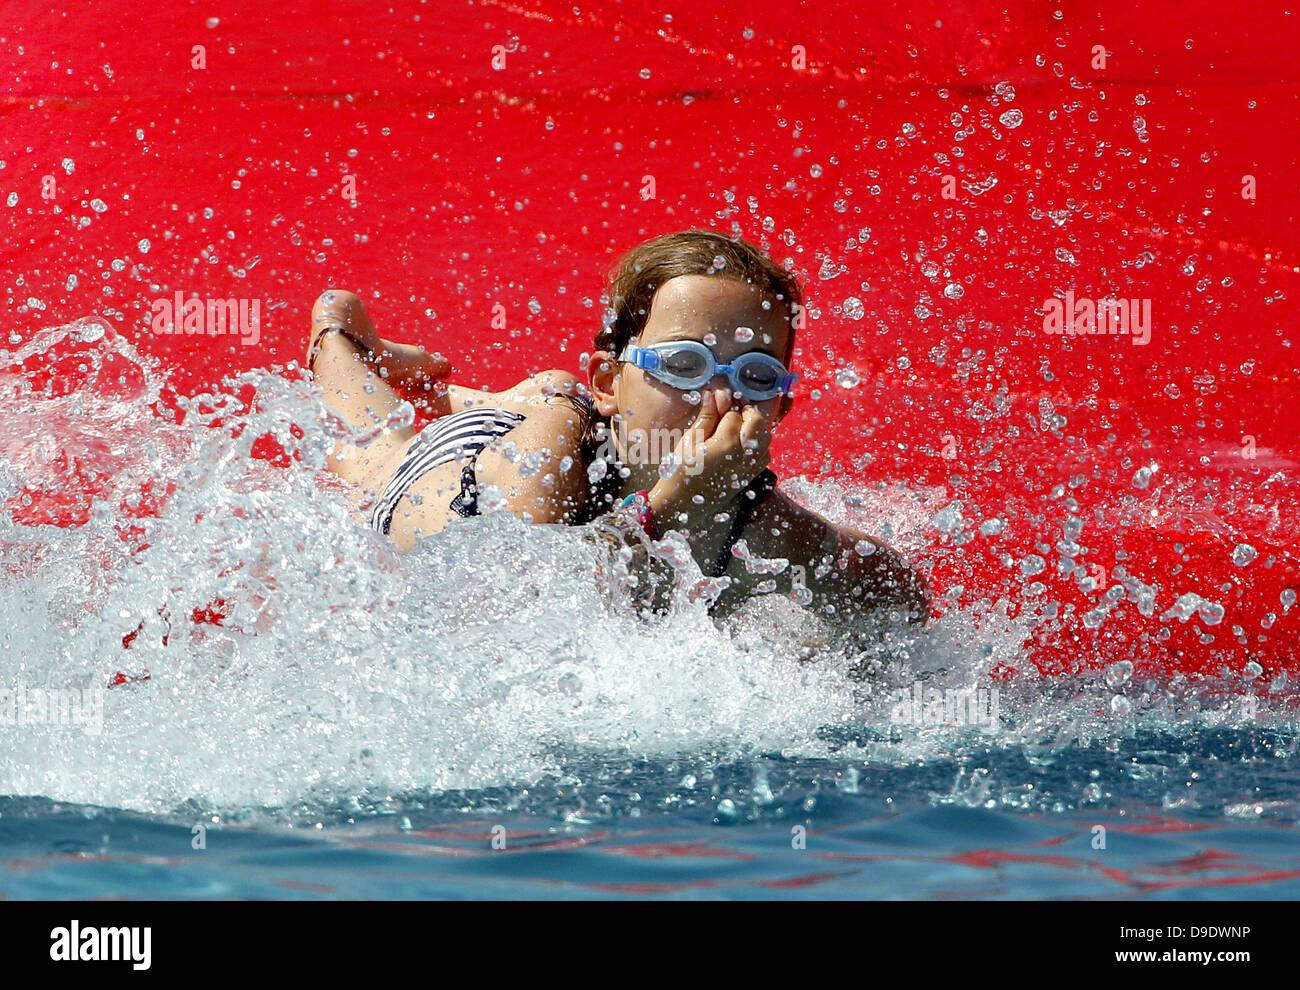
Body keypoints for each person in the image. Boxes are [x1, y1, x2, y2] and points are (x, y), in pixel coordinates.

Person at [305, 229, 928, 633]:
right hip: (461, 460)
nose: (718, 396)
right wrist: (678, 499)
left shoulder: (749, 508)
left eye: (758, 376)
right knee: (372, 438)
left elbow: (900, 605)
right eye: (684, 366)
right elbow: (527, 601)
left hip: (586, 422)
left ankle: (531, 383)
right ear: (609, 382)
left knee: (550, 391)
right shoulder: (545, 450)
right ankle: (338, 328)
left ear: (781, 409)